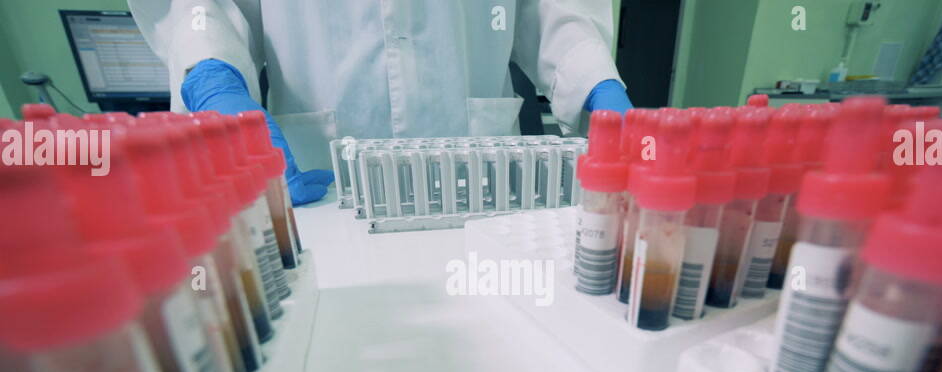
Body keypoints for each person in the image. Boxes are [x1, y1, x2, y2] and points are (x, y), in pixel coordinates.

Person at [129, 0, 632, 205]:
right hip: (319, 180)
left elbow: (549, 6)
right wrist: (212, 70)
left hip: (483, 183)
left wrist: (591, 77)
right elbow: (204, 8)